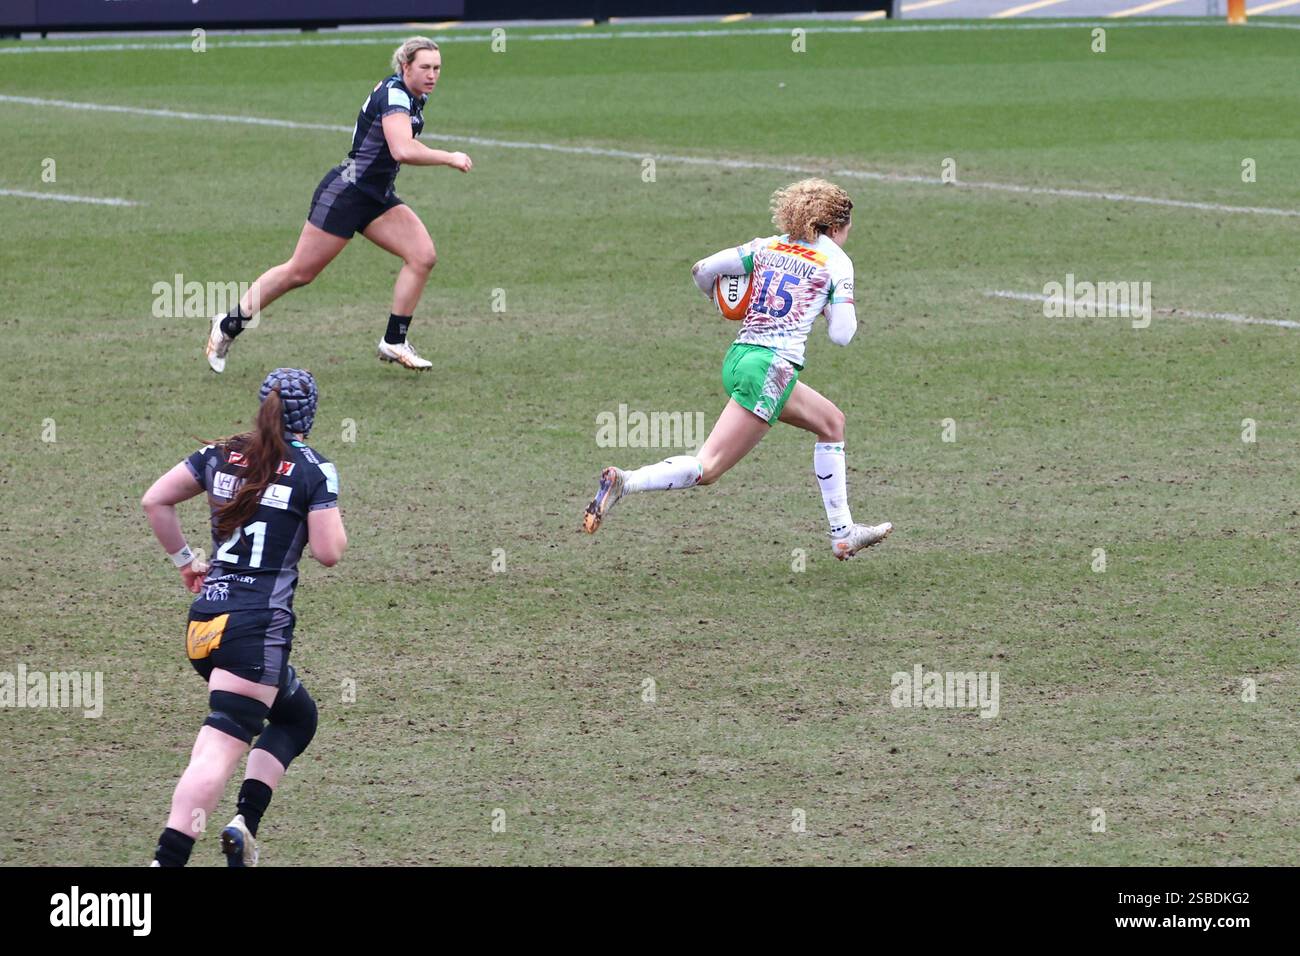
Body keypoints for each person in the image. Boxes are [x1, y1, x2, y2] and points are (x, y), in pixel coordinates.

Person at [583, 178, 892, 560]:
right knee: (708, 467)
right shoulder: (836, 262)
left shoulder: (768, 245)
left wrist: (727, 304)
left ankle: (843, 532)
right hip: (771, 370)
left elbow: (701, 270)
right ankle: (625, 482)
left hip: (741, 358)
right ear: (837, 226)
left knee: (831, 423)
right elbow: (843, 335)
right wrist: (830, 304)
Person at [142, 368, 347, 866]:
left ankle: (245, 826)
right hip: (255, 633)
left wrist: (187, 562)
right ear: (310, 414)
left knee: (297, 716)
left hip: (205, 627)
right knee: (217, 748)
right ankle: (166, 861)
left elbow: (155, 500)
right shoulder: (313, 468)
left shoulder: (221, 453)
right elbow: (329, 552)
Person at [204, 37, 472, 374]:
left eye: (437, 68)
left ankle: (394, 341)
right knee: (299, 272)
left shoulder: (414, 94)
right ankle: (228, 324)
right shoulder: (394, 95)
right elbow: (402, 149)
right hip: (346, 192)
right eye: (425, 68)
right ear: (406, 67)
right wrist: (450, 157)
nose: (432, 75)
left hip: (376, 196)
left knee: (422, 256)